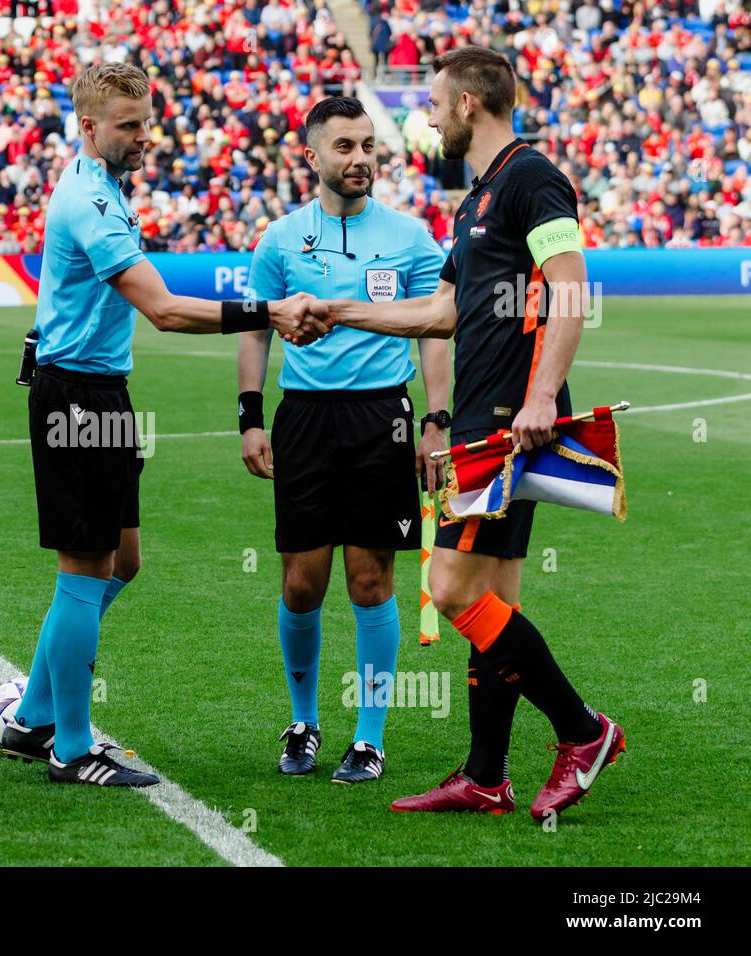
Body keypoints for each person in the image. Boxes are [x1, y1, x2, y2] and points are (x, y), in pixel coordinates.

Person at [1, 62, 328, 788]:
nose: (145, 137)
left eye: (146, 122)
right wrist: (269, 311)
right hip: (76, 399)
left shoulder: (106, 187)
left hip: (101, 393)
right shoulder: (90, 199)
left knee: (123, 560)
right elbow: (166, 309)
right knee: (85, 566)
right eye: (128, 125)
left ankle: (31, 713)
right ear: (88, 127)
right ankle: (72, 745)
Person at [326, 48, 625, 820]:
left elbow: (570, 288)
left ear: (466, 103)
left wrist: (542, 395)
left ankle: (583, 731)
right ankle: (486, 777)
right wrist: (337, 311)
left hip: (509, 425)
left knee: (452, 589)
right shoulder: (476, 199)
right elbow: (440, 314)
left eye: (432, 103)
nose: (425, 118)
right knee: (493, 601)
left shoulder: (532, 177)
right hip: (482, 421)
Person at [239, 96, 450, 783]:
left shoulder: (413, 236)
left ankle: (369, 736)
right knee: (302, 585)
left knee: (369, 581)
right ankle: (303, 724)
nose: (359, 158)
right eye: (344, 147)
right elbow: (253, 326)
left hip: (381, 420)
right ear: (313, 156)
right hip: (302, 419)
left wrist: (435, 421)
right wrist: (249, 415)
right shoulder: (279, 238)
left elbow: (433, 331)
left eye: (367, 145)